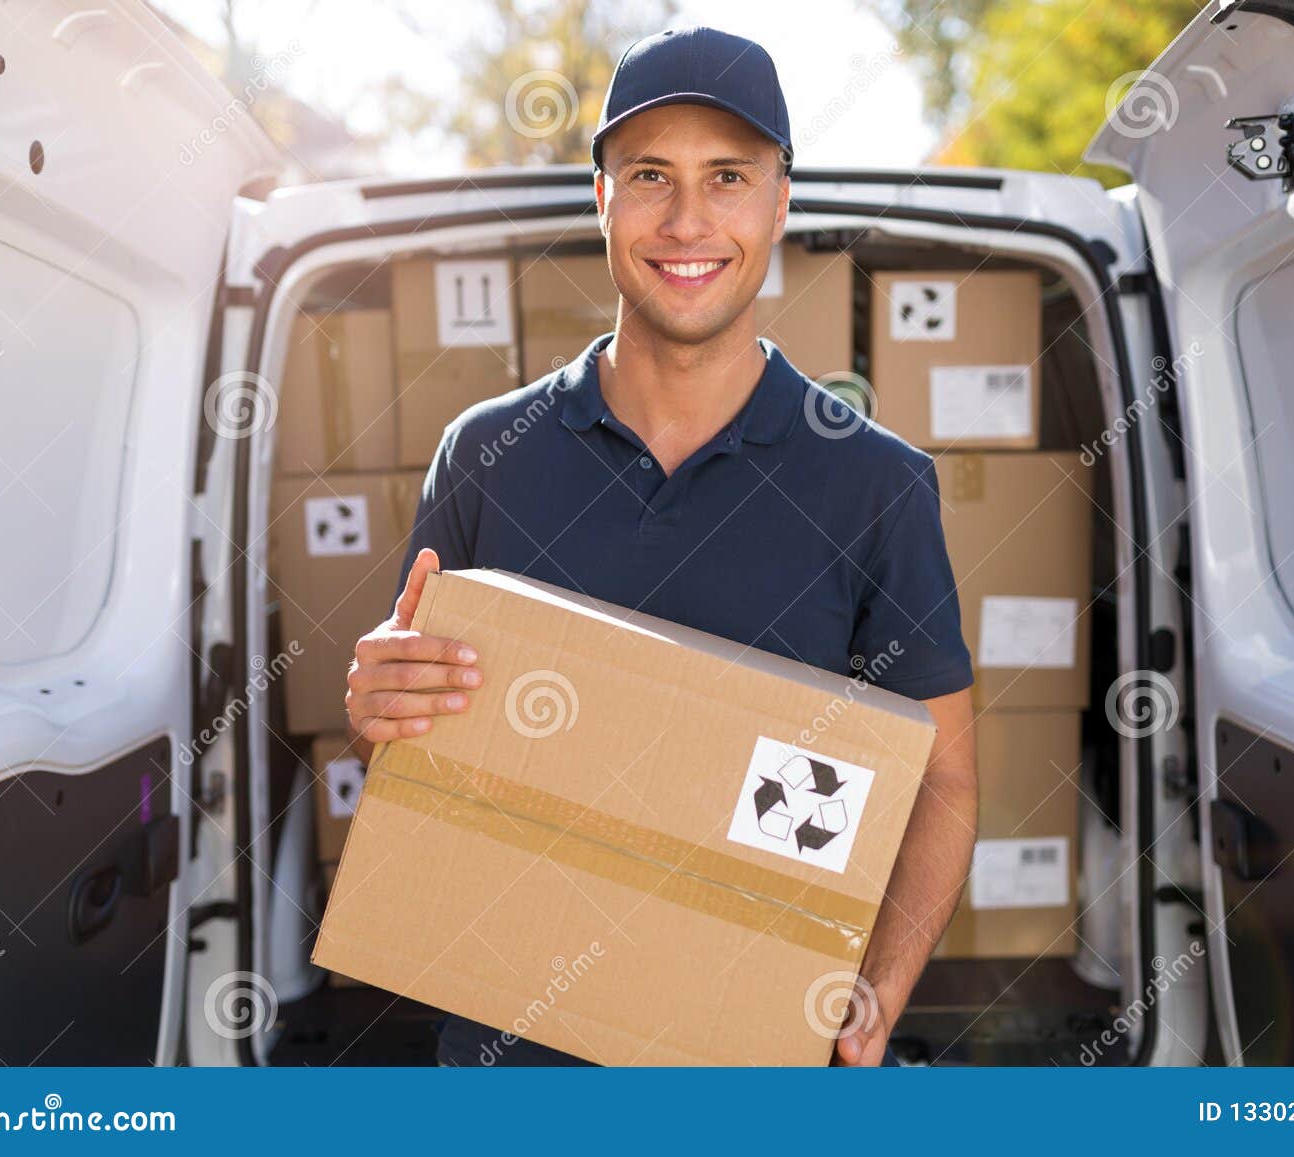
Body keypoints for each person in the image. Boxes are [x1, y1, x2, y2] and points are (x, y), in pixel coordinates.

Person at [345, 26, 979, 1068]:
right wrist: (374, 708)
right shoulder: (486, 455)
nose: (688, 220)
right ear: (601, 198)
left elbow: (944, 781)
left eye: (726, 176)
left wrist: (876, 990)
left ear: (780, 201)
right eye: (650, 176)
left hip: (750, 1059)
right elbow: (412, 754)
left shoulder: (875, 484)